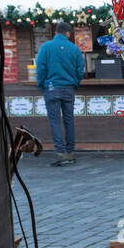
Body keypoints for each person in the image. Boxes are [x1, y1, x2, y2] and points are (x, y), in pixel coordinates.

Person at [35, 21, 85, 166]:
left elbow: (41, 70)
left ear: (56, 32)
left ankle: (60, 153)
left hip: (51, 89)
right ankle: (70, 152)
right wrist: (74, 83)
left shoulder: (45, 47)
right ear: (68, 34)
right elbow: (79, 70)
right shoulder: (75, 49)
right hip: (69, 88)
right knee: (69, 121)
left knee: (55, 121)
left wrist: (42, 85)